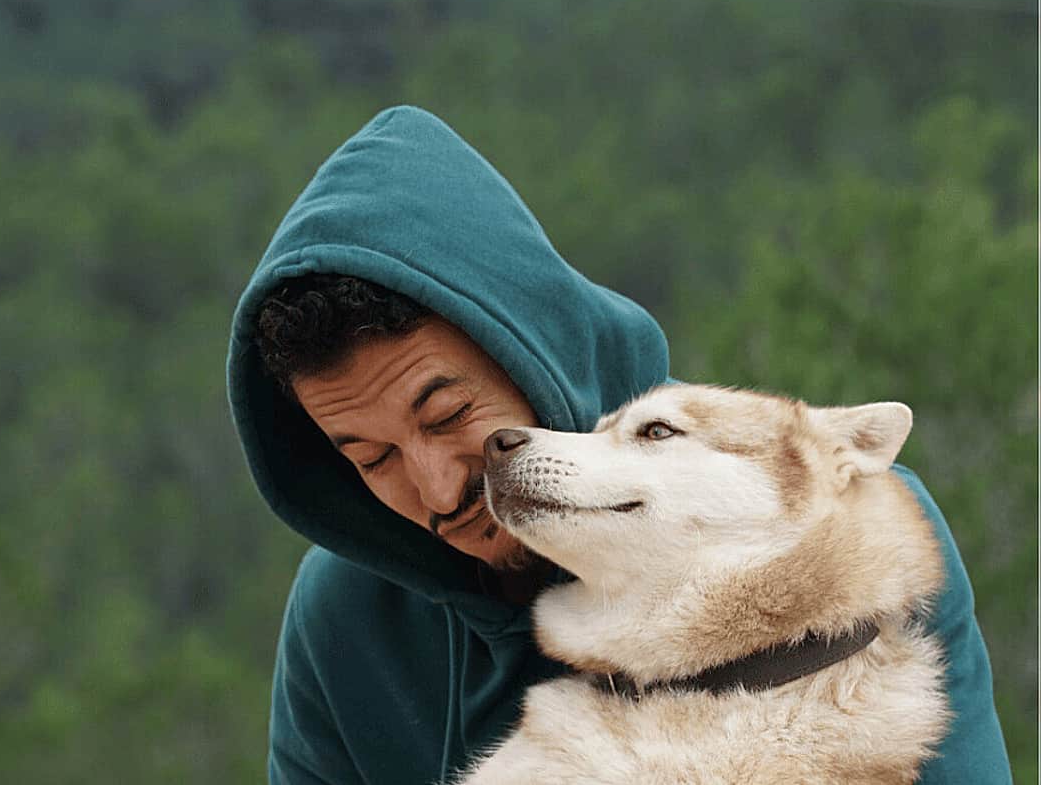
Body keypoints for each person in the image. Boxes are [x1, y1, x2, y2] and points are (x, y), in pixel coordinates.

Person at [226, 106, 1010, 784]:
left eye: (446, 413)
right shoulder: (346, 617)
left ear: (526, 341)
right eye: (372, 458)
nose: (435, 488)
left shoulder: (848, 536)